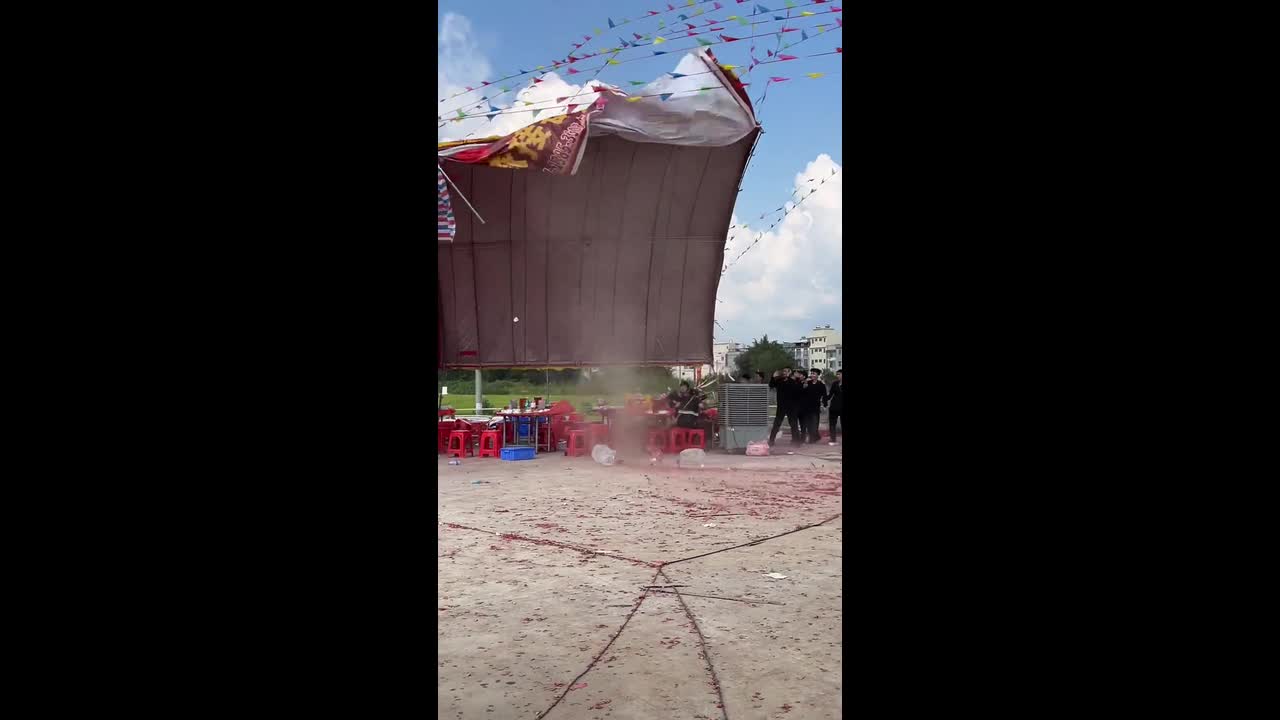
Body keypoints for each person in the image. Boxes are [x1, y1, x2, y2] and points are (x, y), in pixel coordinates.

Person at [768, 366, 801, 446]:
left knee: (793, 424)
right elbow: (771, 385)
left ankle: (796, 441)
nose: (784, 373)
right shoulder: (779, 381)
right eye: (783, 371)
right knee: (777, 423)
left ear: (789, 373)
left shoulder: (792, 381)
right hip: (781, 406)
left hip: (791, 407)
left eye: (786, 371)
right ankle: (771, 440)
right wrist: (773, 376)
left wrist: (797, 379)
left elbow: (798, 390)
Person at [800, 368, 826, 444]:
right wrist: (804, 386)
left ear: (818, 375)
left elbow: (824, 395)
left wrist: (824, 404)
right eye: (811, 373)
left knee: (814, 424)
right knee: (808, 424)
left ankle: (813, 438)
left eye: (814, 373)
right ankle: (814, 437)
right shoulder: (808, 383)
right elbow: (802, 393)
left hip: (815, 407)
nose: (812, 375)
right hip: (807, 407)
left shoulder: (821, 385)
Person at [823, 369, 842, 445]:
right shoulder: (835, 383)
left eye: (839, 374)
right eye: (837, 374)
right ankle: (833, 439)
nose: (837, 376)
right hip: (834, 406)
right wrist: (824, 399)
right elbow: (830, 395)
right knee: (832, 424)